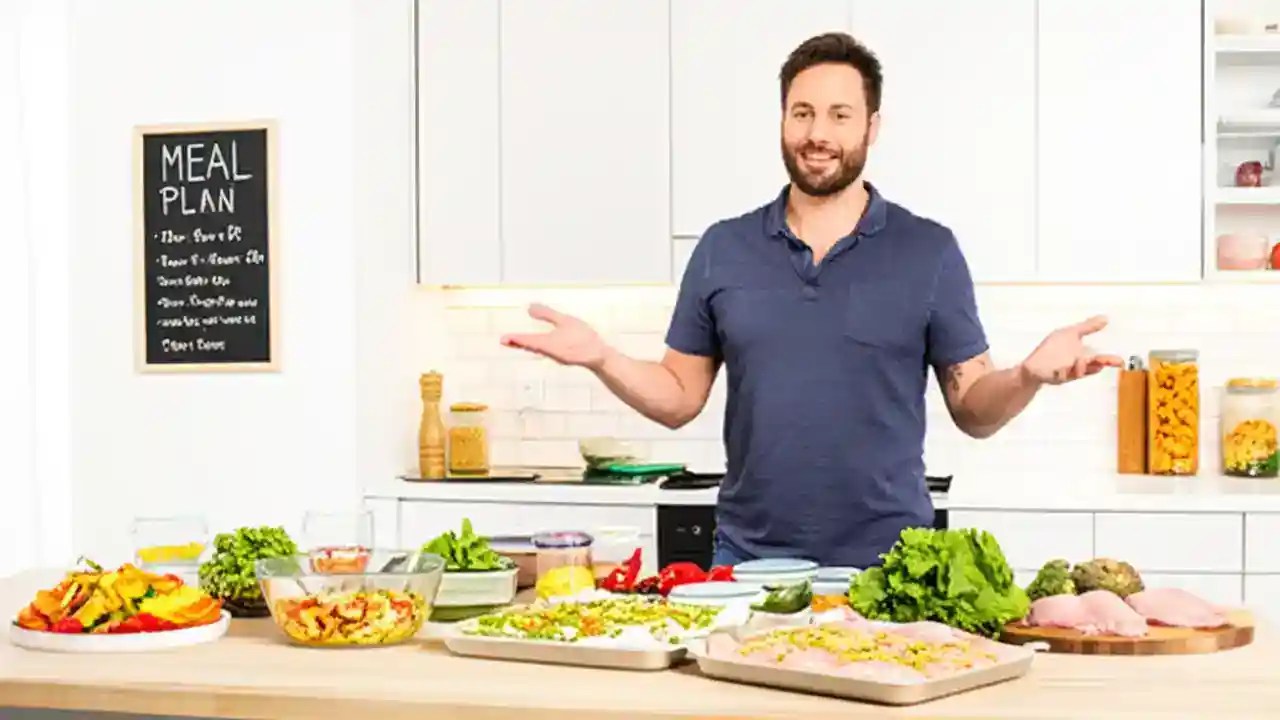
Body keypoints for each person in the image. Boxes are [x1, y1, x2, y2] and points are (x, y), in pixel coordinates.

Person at [499, 32, 1122, 569]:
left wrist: (1027, 375)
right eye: (802, 113)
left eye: (839, 115)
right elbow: (679, 398)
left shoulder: (928, 251)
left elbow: (974, 408)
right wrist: (602, 357)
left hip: (891, 565)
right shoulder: (723, 248)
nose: (817, 133)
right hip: (748, 563)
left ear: (872, 127)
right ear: (782, 120)